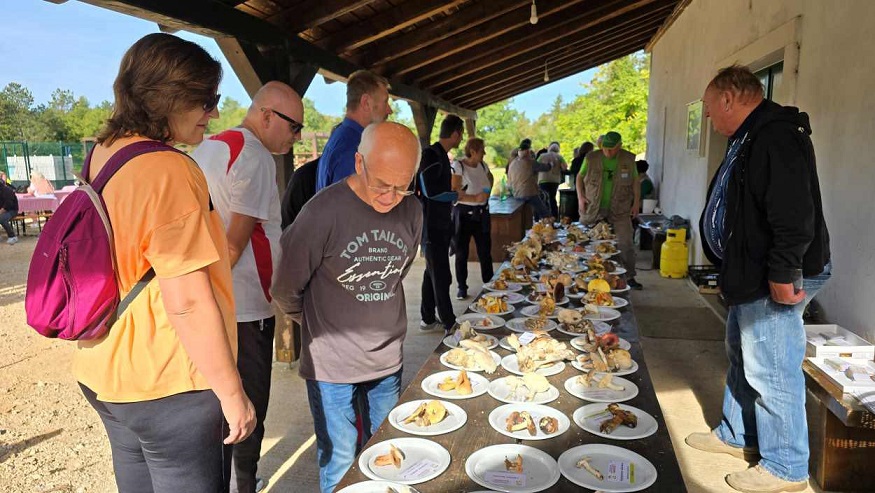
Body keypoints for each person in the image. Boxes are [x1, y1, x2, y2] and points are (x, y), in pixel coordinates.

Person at [73, 33, 255, 492]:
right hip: (169, 384)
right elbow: (188, 301)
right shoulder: (170, 170)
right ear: (170, 99)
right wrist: (233, 395)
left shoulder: (104, 152)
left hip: (107, 368)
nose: (214, 113)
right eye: (207, 100)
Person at [686, 65, 831, 493]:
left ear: (730, 98)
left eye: (710, 108)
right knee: (742, 356)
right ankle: (738, 435)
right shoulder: (748, 136)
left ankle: (786, 467)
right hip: (749, 271)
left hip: (775, 273)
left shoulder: (774, 135)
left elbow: (792, 210)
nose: (709, 119)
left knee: (772, 369)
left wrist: (784, 271)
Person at [272, 122, 423, 493]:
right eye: (381, 185)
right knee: (340, 458)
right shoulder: (322, 212)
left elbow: (397, 273)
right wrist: (317, 325)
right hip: (331, 365)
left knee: (386, 449)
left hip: (387, 360)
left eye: (401, 186)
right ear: (359, 162)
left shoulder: (413, 210)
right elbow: (285, 287)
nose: (390, 197)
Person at [192, 80, 303, 493]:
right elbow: (234, 244)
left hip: (218, 303)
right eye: (293, 127)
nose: (294, 138)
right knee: (250, 401)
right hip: (247, 306)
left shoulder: (211, 146)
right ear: (267, 115)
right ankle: (246, 481)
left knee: (216, 398)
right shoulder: (255, 157)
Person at [576, 131, 643, 289]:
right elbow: (579, 177)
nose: (608, 152)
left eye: (612, 149)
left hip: (620, 208)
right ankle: (582, 274)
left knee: (625, 242)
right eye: (605, 148)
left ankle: (629, 276)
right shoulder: (591, 158)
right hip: (593, 207)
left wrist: (636, 203)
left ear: (619, 146)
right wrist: (581, 197)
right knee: (584, 240)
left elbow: (635, 181)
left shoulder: (628, 159)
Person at [418, 115, 464, 332]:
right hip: (431, 227)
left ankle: (427, 318)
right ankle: (449, 322)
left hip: (441, 224)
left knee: (431, 273)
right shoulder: (431, 154)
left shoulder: (443, 156)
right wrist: (453, 195)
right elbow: (428, 190)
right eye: (461, 134)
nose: (461, 138)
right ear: (455, 133)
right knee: (441, 275)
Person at [316, 70, 392, 191]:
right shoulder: (352, 148)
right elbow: (350, 207)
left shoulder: (342, 136)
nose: (389, 110)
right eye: (385, 102)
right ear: (366, 102)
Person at [451, 137, 493, 300]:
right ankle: (462, 287)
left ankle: (489, 285)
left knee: (485, 252)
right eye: (482, 150)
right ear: (473, 151)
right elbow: (454, 192)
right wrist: (475, 198)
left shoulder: (483, 165)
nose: (484, 153)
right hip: (463, 214)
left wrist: (486, 193)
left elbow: (490, 179)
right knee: (462, 253)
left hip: (482, 214)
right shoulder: (459, 166)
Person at [508, 138, 552, 220]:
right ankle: (547, 223)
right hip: (529, 193)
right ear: (528, 151)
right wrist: (551, 164)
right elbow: (545, 168)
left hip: (516, 193)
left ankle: (533, 223)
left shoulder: (513, 163)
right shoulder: (529, 161)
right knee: (544, 212)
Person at [537, 141, 567, 218]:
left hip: (543, 180)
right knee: (552, 198)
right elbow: (565, 167)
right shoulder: (559, 157)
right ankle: (555, 216)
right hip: (554, 181)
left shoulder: (542, 156)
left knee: (543, 198)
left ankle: (544, 217)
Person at [1, 179, 19, 245]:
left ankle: (12, 236)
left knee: (2, 219)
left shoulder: (8, 190)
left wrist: (0, 211)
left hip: (12, 210)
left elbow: (8, 205)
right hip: (3, 210)